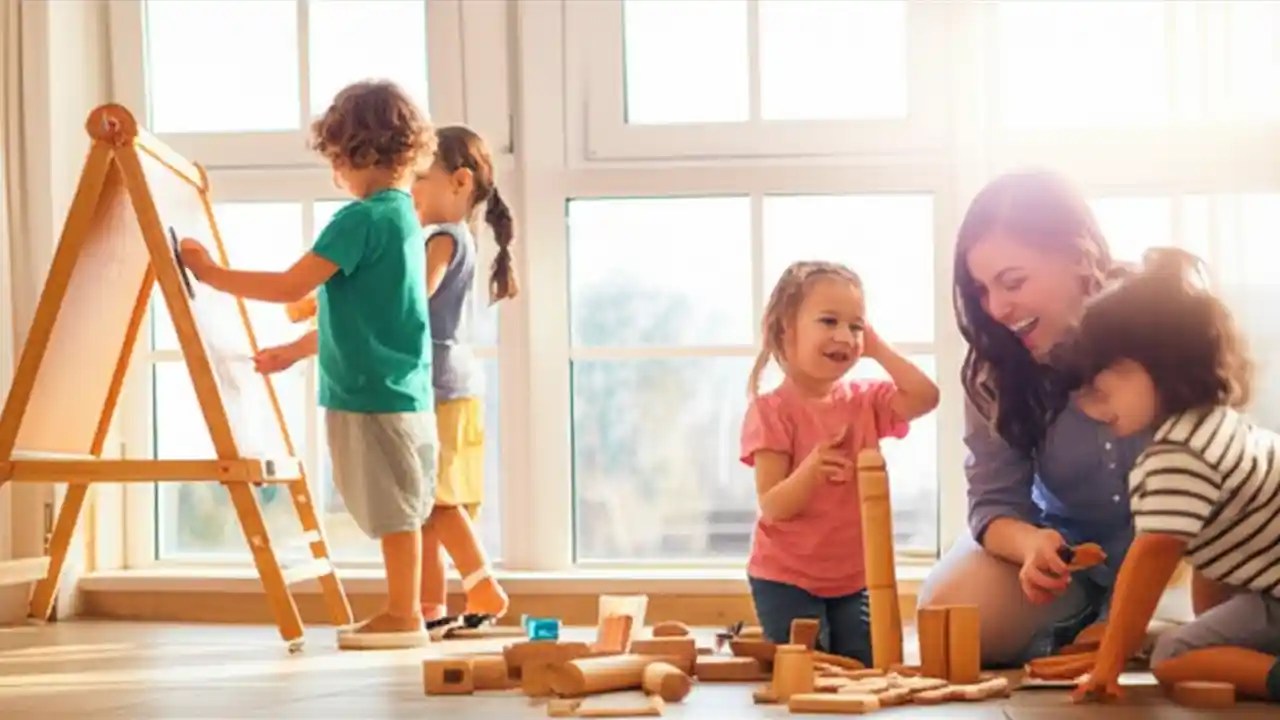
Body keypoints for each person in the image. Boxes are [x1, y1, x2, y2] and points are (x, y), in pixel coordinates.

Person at [179, 80, 437, 650]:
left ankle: (404, 615)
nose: (335, 173)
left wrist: (210, 273)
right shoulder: (403, 218)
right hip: (403, 390)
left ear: (352, 153)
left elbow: (290, 285)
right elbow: (370, 317)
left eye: (335, 159)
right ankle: (404, 611)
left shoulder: (360, 220)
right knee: (401, 504)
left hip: (369, 393)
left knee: (393, 510)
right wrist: (294, 351)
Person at [917, 169, 1150, 666]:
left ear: (1080, 255)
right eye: (982, 290)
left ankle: (1133, 625)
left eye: (1013, 282)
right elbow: (993, 502)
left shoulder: (1164, 323)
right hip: (1072, 560)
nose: (996, 308)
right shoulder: (995, 369)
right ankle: (1088, 622)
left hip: (1180, 557)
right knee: (949, 616)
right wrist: (1029, 546)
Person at [1028, 248, 1280, 704]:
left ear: (1154, 369)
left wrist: (1108, 665)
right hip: (1267, 587)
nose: (1095, 410)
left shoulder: (1177, 455)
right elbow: (1210, 557)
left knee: (1173, 656)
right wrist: (1211, 629)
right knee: (1196, 634)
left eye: (1103, 391)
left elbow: (1151, 558)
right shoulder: (1215, 424)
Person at [740, 260, 940, 663]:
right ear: (786, 329)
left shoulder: (865, 400)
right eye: (829, 321)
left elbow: (926, 396)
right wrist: (811, 471)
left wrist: (877, 348)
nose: (845, 336)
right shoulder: (771, 411)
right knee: (808, 670)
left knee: (863, 668)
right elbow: (773, 505)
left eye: (856, 326)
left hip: (855, 580)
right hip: (786, 579)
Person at [409, 125, 516, 629]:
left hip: (440, 387)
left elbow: (415, 296)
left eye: (420, 178)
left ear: (459, 182)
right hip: (457, 385)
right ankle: (430, 607)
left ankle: (483, 587)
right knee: (428, 510)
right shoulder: (462, 239)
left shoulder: (443, 238)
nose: (411, 190)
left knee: (437, 501)